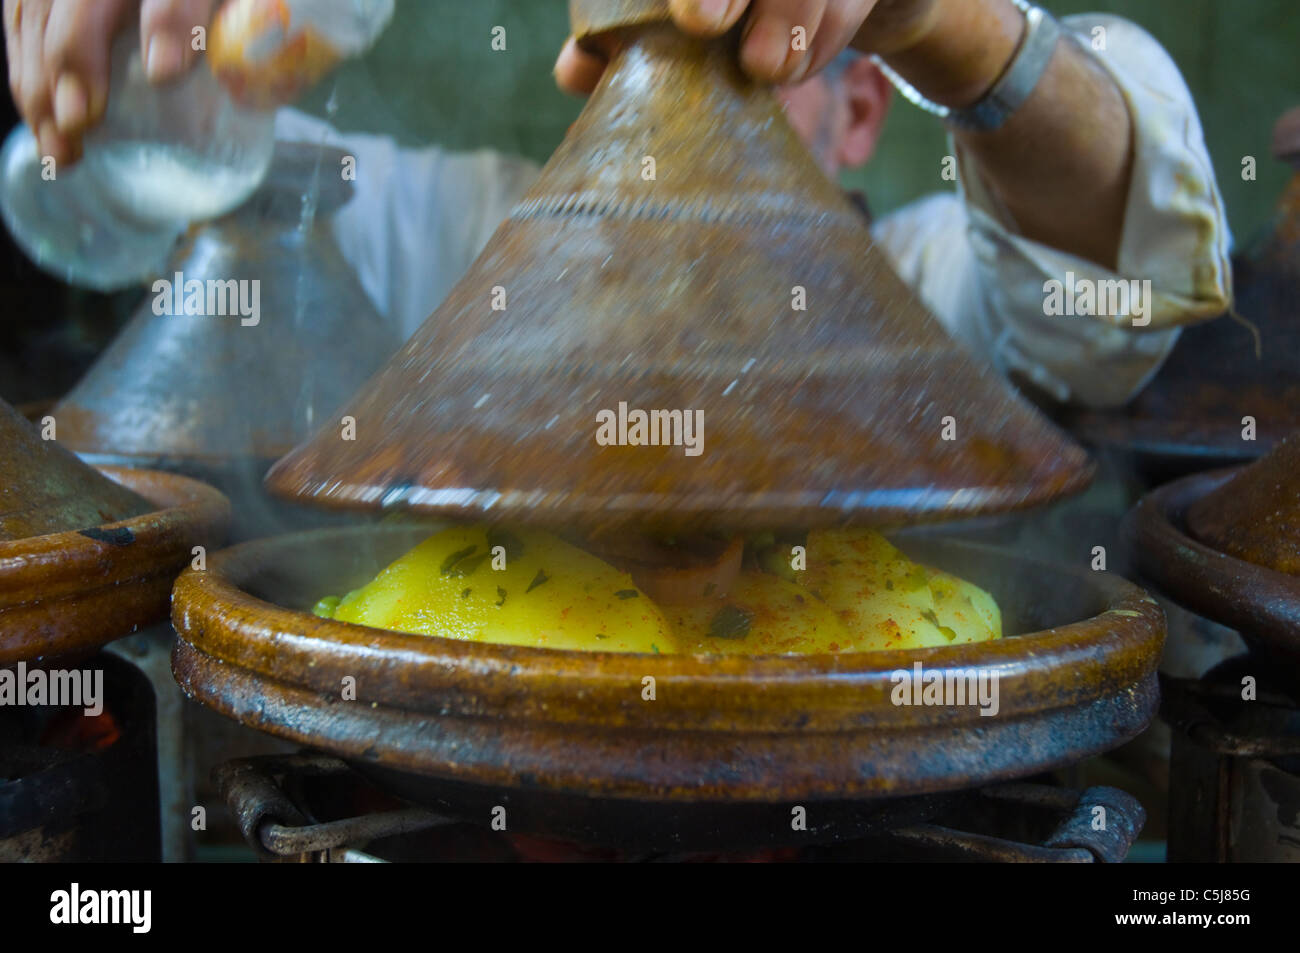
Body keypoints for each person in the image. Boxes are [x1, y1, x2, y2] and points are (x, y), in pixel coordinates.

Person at [5, 0, 1231, 409]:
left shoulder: (926, 294)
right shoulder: (456, 238)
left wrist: (952, 30)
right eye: (637, 65)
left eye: (743, 61)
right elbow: (157, 207)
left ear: (860, 111)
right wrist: (144, 71)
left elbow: (1112, 309)